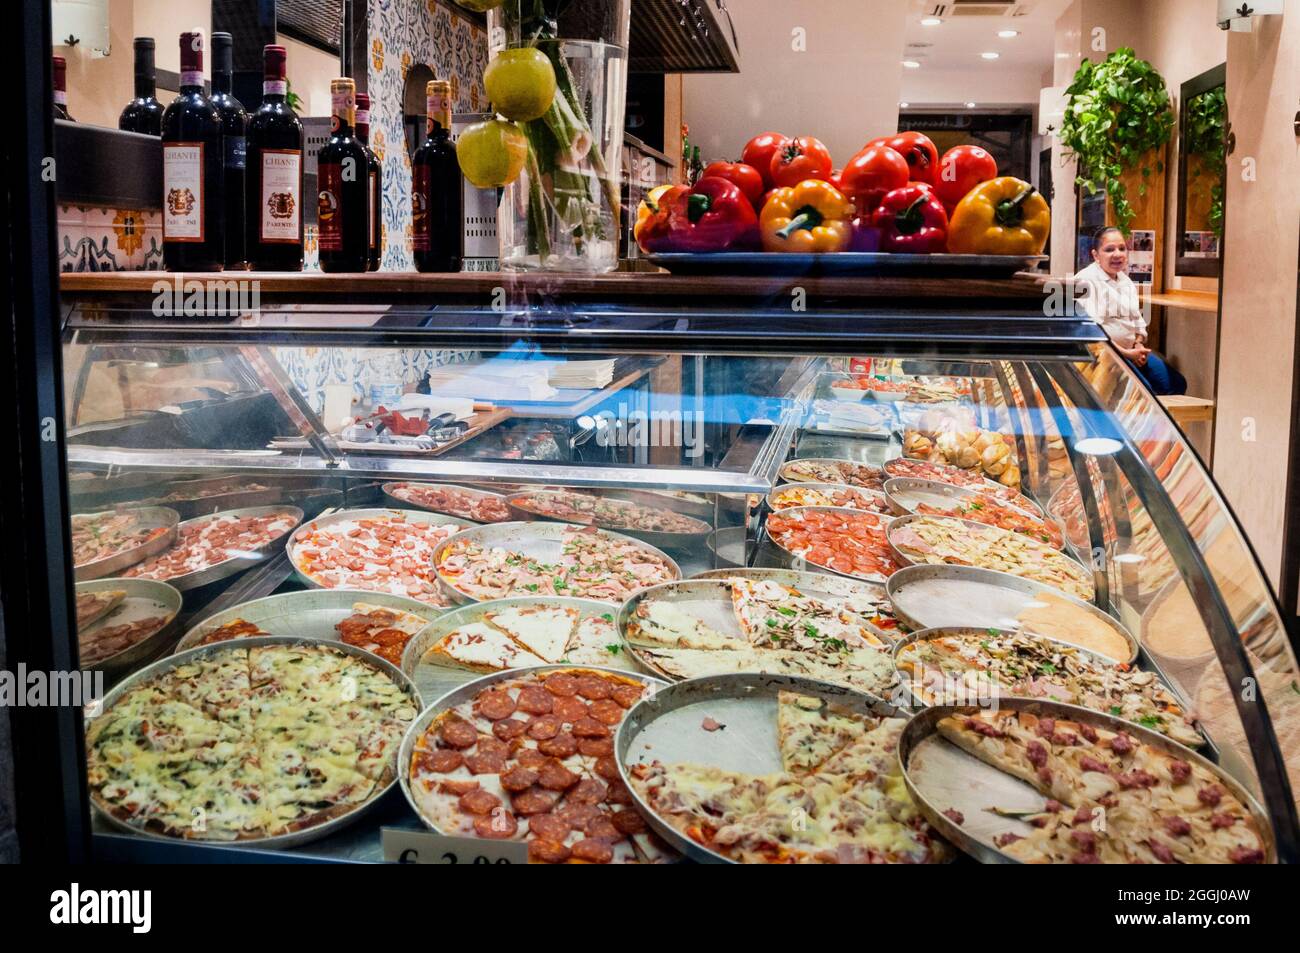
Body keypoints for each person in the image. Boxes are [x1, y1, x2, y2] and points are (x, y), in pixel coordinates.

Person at [1074, 226, 1187, 395]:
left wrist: (1139, 344)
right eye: (1109, 249)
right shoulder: (1085, 280)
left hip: (1132, 351)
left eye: (1122, 248)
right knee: (1144, 393)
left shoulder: (1125, 281)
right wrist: (1128, 354)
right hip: (1105, 356)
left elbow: (1137, 321)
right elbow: (1093, 334)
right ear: (1095, 255)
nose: (1117, 254)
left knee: (1176, 384)